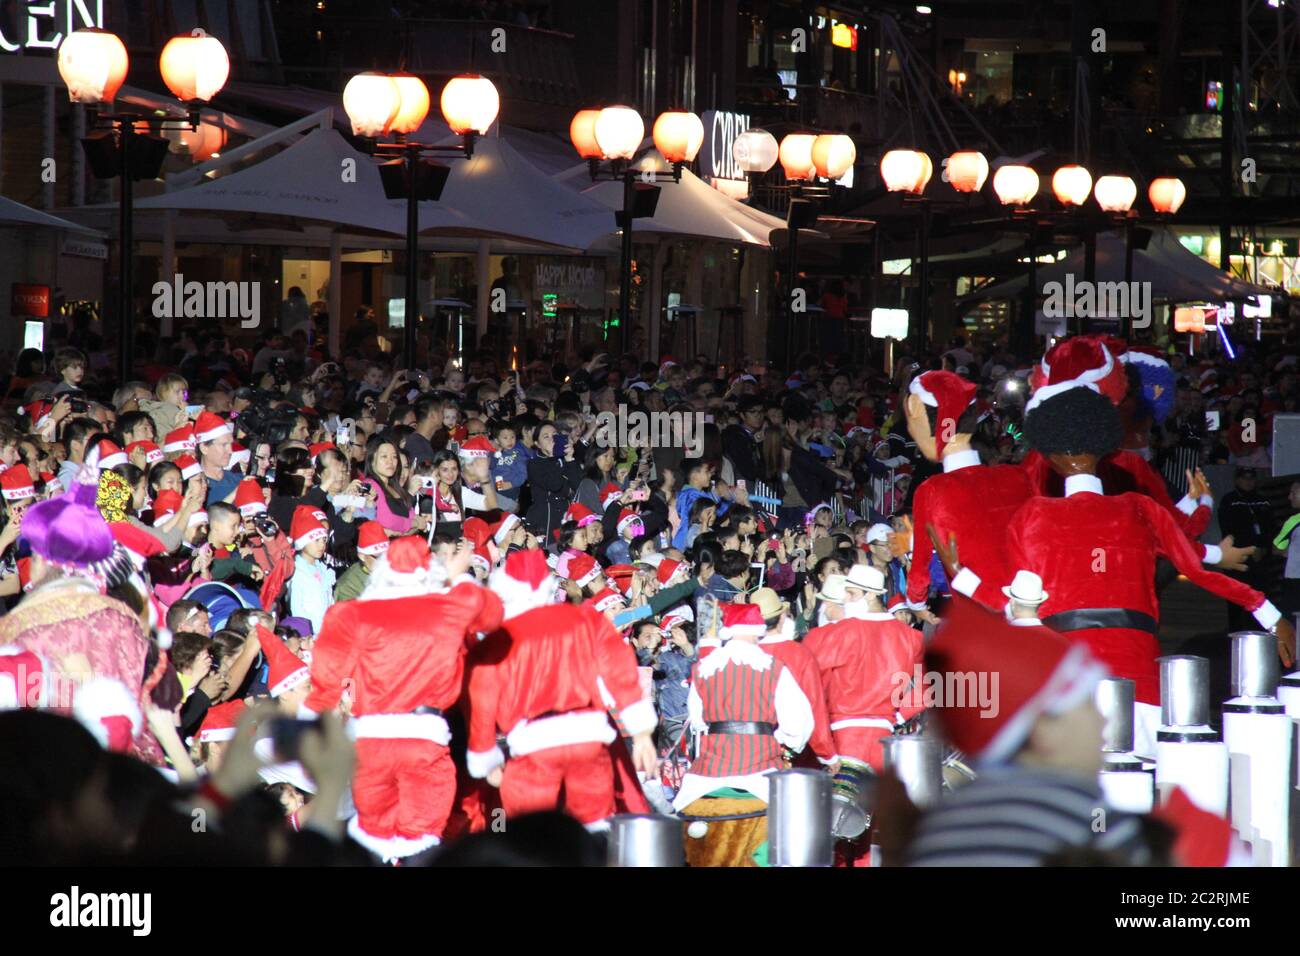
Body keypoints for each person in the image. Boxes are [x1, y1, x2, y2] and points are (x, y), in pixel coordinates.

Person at [303, 536, 503, 863]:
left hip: (370, 741)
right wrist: (455, 578)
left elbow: (327, 673)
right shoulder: (447, 607)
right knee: (423, 836)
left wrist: (316, 713)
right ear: (427, 571)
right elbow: (492, 615)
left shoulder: (354, 612)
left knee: (374, 833)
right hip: (423, 740)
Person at [466, 550, 657, 831]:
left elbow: (481, 697)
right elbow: (619, 667)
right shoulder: (584, 620)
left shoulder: (499, 639)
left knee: (527, 835)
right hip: (588, 740)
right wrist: (641, 733)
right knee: (595, 828)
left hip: (533, 747)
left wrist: (485, 754)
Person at [672, 602, 813, 867]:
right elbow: (798, 726)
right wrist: (782, 739)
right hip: (762, 772)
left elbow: (699, 721)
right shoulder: (774, 667)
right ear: (757, 630)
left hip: (708, 774)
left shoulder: (703, 667)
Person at [903, 369, 1034, 618]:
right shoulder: (1015, 476)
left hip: (978, 616)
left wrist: (916, 603)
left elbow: (920, 568)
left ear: (917, 409)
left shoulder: (932, 490)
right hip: (1031, 605)